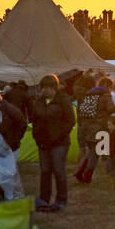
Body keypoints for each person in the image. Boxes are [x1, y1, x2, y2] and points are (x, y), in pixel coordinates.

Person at [31, 75, 75, 210]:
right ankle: (44, 198)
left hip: (59, 142)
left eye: (47, 88)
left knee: (58, 170)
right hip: (43, 142)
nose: (44, 91)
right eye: (42, 88)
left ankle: (61, 199)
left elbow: (70, 121)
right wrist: (37, 136)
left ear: (53, 88)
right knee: (45, 171)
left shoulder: (64, 101)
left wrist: (60, 135)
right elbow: (35, 120)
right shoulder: (38, 102)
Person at [74, 76, 115, 183]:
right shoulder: (105, 95)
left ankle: (80, 171)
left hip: (87, 126)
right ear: (107, 85)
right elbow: (111, 109)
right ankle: (87, 175)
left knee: (91, 151)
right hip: (100, 126)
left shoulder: (90, 93)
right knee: (95, 153)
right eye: (111, 86)